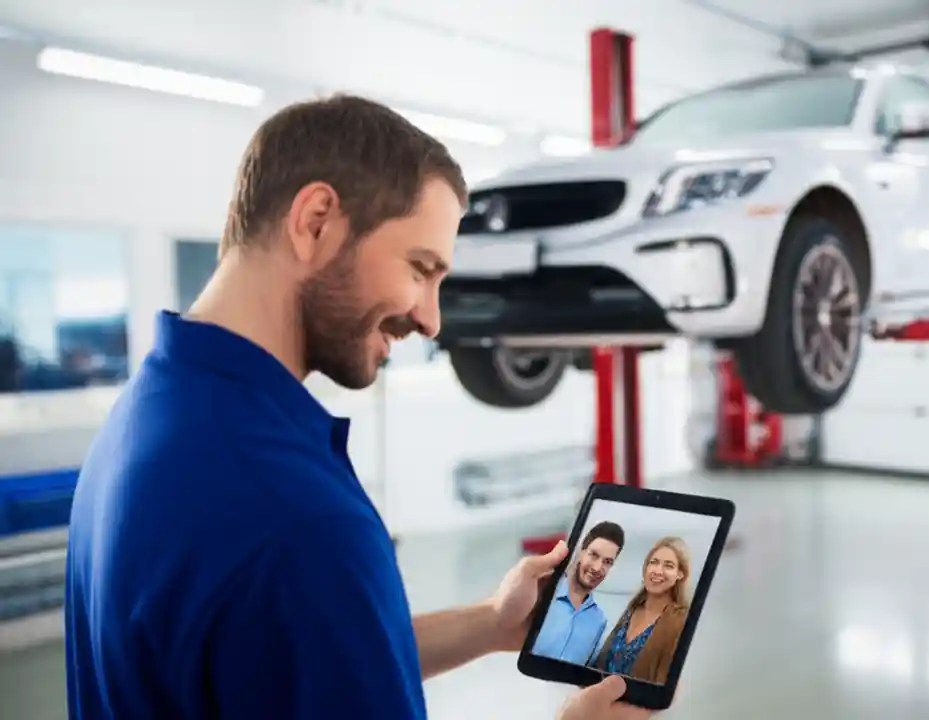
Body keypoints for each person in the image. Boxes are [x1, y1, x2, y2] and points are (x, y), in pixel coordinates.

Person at [63, 94, 649, 720]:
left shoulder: (152, 411)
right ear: (316, 222)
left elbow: (292, 656)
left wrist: (490, 625)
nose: (431, 318)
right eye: (421, 268)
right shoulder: (298, 514)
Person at [591, 537, 692, 685]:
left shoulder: (680, 620)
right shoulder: (632, 610)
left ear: (680, 574)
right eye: (654, 562)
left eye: (668, 566)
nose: (658, 571)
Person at [533, 521, 625, 664]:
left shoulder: (599, 621)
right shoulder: (541, 593)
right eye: (593, 555)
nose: (597, 567)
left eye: (607, 562)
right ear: (581, 552)